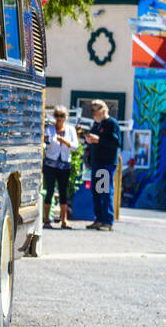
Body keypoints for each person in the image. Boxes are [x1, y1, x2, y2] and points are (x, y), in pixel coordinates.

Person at [84, 99, 120, 231]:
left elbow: (115, 143)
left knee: (104, 191)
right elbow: (93, 141)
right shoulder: (96, 124)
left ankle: (107, 221)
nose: (94, 115)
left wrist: (99, 139)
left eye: (96, 111)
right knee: (97, 192)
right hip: (97, 162)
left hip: (106, 162)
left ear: (103, 111)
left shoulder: (111, 124)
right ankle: (99, 219)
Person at [42, 105, 78, 229]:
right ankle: (46, 219)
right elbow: (46, 142)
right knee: (50, 191)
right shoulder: (49, 129)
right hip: (50, 164)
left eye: (62, 116)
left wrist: (65, 141)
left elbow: (75, 147)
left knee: (63, 192)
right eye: (57, 115)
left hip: (64, 165)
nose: (59, 118)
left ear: (65, 117)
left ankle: (64, 220)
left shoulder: (70, 129)